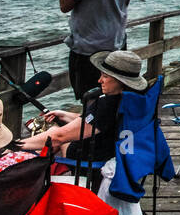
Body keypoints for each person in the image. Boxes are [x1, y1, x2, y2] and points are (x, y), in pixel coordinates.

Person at [18, 50, 147, 168]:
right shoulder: (132, 99)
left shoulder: (105, 105)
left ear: (120, 81)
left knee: (54, 132)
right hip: (115, 151)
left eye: (105, 76)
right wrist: (63, 114)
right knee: (58, 129)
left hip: (92, 160)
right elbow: (93, 122)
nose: (99, 80)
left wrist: (17, 145)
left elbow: (59, 136)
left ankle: (30, 172)